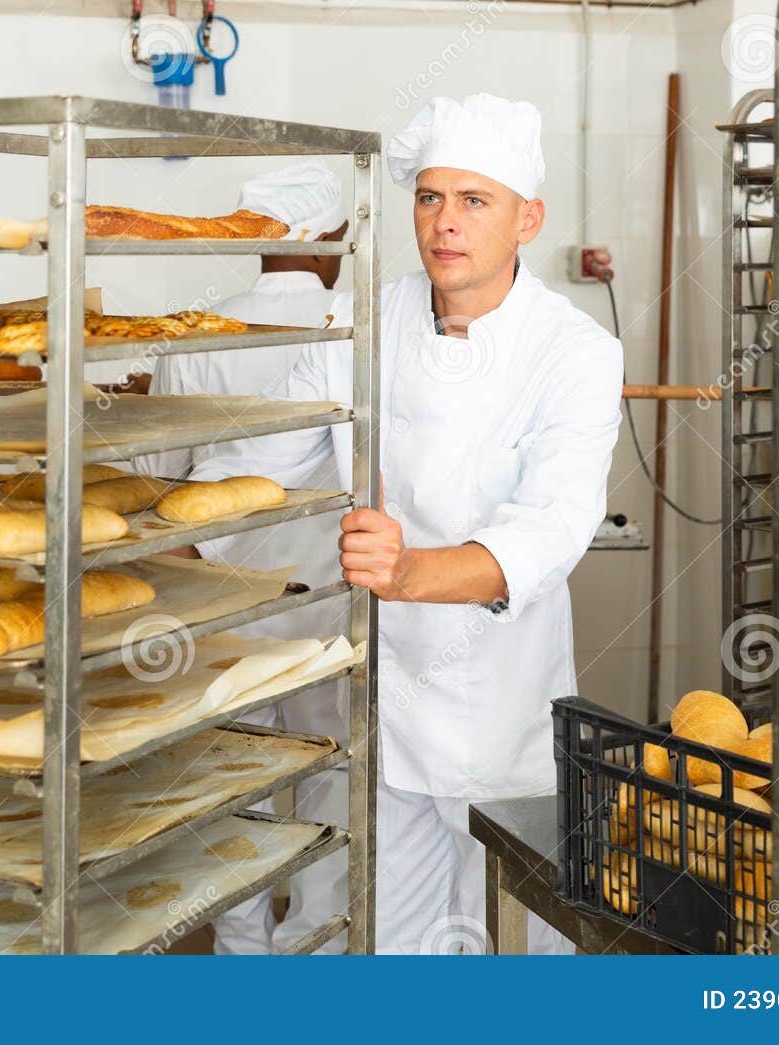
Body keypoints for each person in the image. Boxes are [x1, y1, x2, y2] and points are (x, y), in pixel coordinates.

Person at [188, 95, 623, 953]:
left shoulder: (573, 349)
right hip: (390, 712)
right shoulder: (362, 324)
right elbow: (261, 462)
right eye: (430, 197)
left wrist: (411, 571)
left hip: (505, 710)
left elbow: (553, 524)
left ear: (526, 218)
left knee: (523, 949)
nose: (445, 222)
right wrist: (141, 552)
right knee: (388, 948)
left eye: (473, 200)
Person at [136, 160, 353, 955]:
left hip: (217, 604)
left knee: (233, 785)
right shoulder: (355, 325)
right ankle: (317, 953)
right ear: (332, 237)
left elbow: (160, 481)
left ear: (256, 238)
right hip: (329, 602)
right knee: (332, 775)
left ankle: (241, 954)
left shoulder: (197, 333)